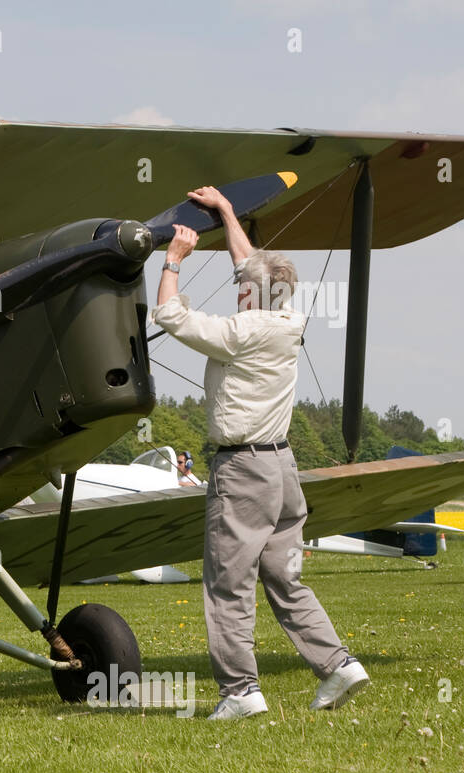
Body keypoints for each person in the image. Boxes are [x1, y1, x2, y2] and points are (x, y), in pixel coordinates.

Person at [150, 186, 368, 720]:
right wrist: (225, 211)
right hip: (282, 468)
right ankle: (338, 666)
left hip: (242, 470)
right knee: (284, 575)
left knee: (228, 582)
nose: (238, 289)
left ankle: (241, 692)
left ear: (251, 296)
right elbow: (255, 267)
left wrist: (173, 261)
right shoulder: (288, 322)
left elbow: (169, 317)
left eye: (242, 287)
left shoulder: (238, 332)